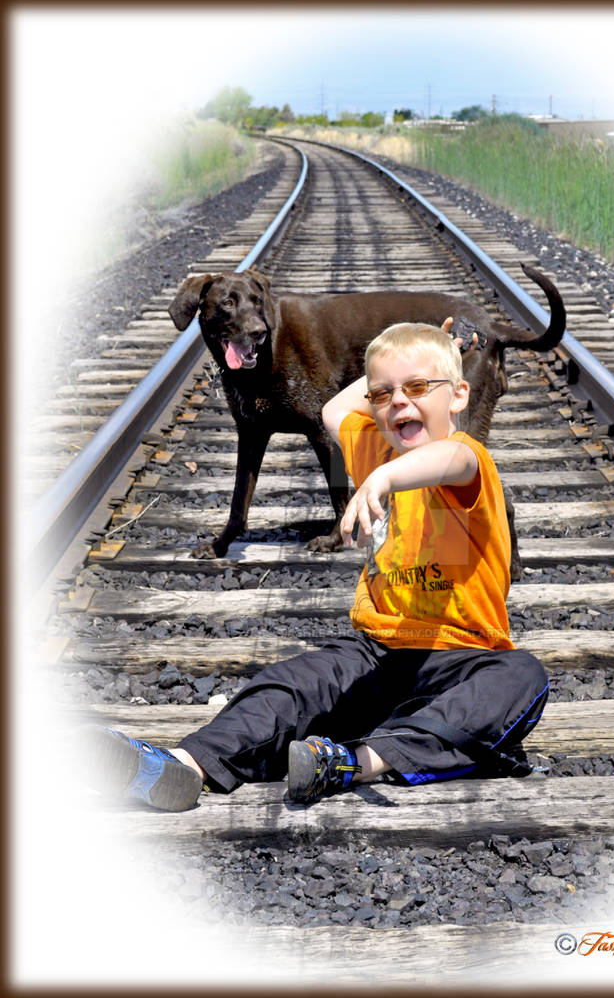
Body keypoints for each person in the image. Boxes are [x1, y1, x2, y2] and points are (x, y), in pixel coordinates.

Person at [85, 321, 548, 811]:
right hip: (377, 654)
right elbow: (334, 409)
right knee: (290, 685)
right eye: (384, 394)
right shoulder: (377, 448)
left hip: (461, 660)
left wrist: (385, 478)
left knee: (522, 677)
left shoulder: (466, 458)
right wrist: (425, 352)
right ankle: (180, 767)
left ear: (458, 396)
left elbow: (453, 459)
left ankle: (355, 762)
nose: (399, 402)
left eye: (417, 388)